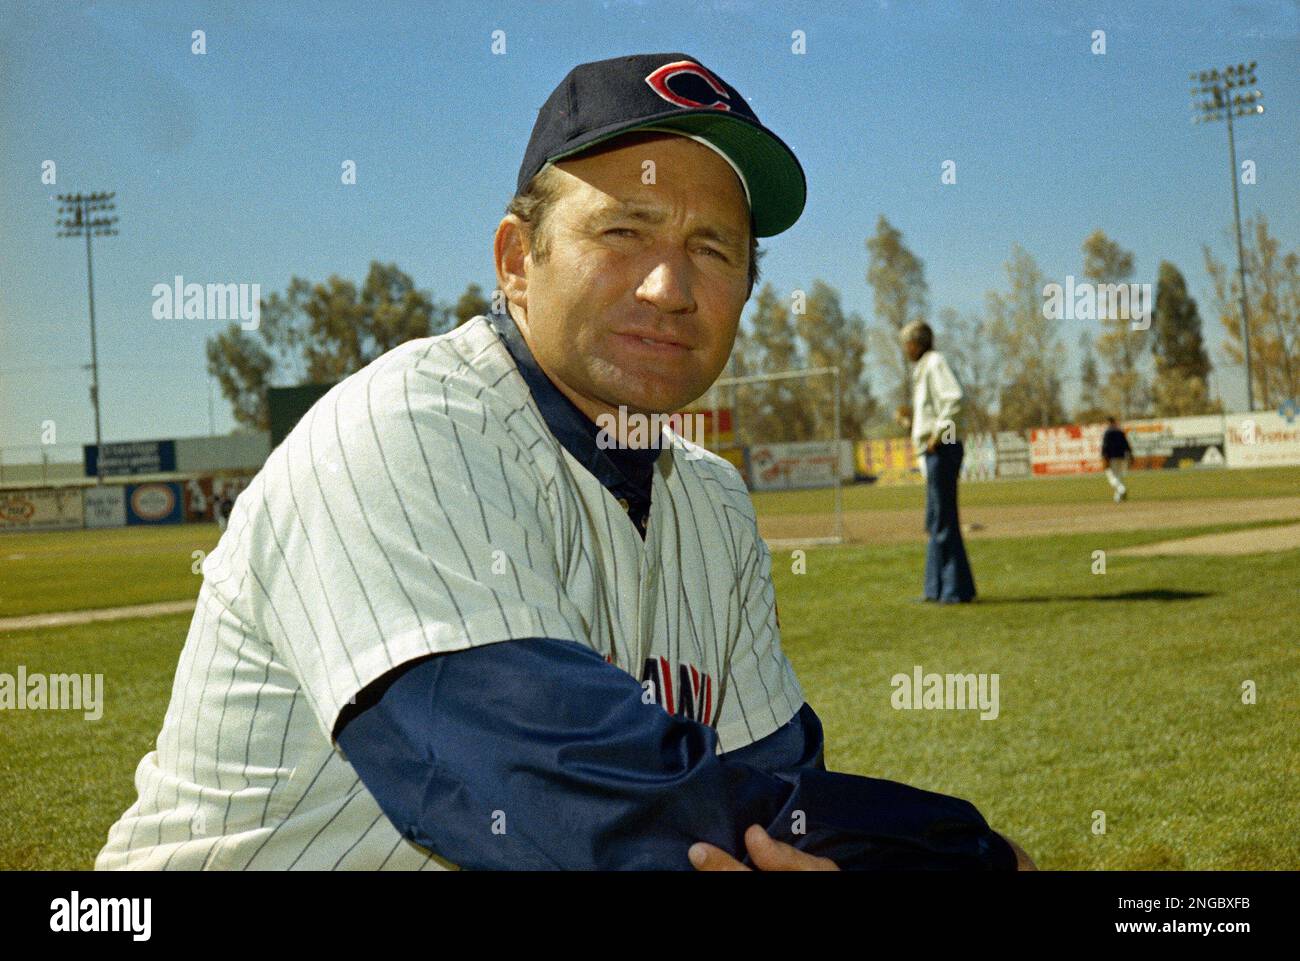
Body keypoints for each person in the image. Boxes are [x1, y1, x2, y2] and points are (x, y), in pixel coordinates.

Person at [96, 52, 1029, 871]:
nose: (671, 287)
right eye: (624, 231)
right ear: (516, 259)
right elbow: (586, 805)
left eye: (714, 248)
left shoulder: (710, 497)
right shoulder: (403, 431)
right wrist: (967, 853)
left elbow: (772, 792)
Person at [903, 321, 976, 604]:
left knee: (943, 520)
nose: (906, 350)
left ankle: (953, 589)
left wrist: (938, 434)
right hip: (934, 449)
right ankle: (937, 588)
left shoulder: (935, 363)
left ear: (916, 343)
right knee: (936, 520)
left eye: (907, 344)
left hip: (942, 449)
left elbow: (956, 399)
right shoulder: (924, 369)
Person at [1100, 416, 1133, 503]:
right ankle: (1118, 498)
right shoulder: (1120, 432)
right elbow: (1127, 445)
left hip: (1111, 458)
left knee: (1112, 477)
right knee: (1118, 477)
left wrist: (1104, 457)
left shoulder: (1107, 433)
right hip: (1122, 457)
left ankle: (1122, 490)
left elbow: (1105, 446)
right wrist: (1130, 455)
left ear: (1109, 423)